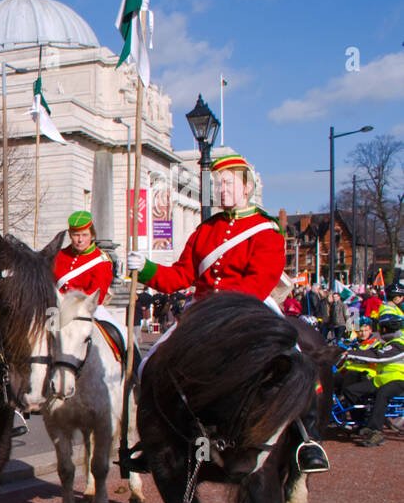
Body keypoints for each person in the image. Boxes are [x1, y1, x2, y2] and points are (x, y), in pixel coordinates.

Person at [127, 151, 328, 472]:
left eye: (228, 183)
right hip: (202, 307)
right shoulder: (205, 230)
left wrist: (221, 311)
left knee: (296, 359)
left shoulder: (267, 229)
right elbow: (181, 276)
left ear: (246, 187)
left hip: (250, 305)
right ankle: (153, 441)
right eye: (218, 184)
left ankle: (308, 438)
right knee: (149, 365)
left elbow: (259, 281)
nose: (221, 190)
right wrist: (147, 267)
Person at [340, 302, 404, 446]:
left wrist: (350, 354)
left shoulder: (400, 343)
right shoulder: (390, 343)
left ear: (385, 328)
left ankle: (375, 431)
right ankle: (363, 424)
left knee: (383, 393)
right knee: (350, 390)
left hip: (400, 379)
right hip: (382, 380)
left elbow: (379, 356)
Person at [54, 210, 121, 334]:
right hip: (57, 309)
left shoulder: (102, 261)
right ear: (70, 235)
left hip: (89, 309)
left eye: (84, 235)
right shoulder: (59, 256)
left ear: (92, 235)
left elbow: (97, 295)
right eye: (76, 235)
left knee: (123, 334)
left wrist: (73, 308)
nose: (80, 240)